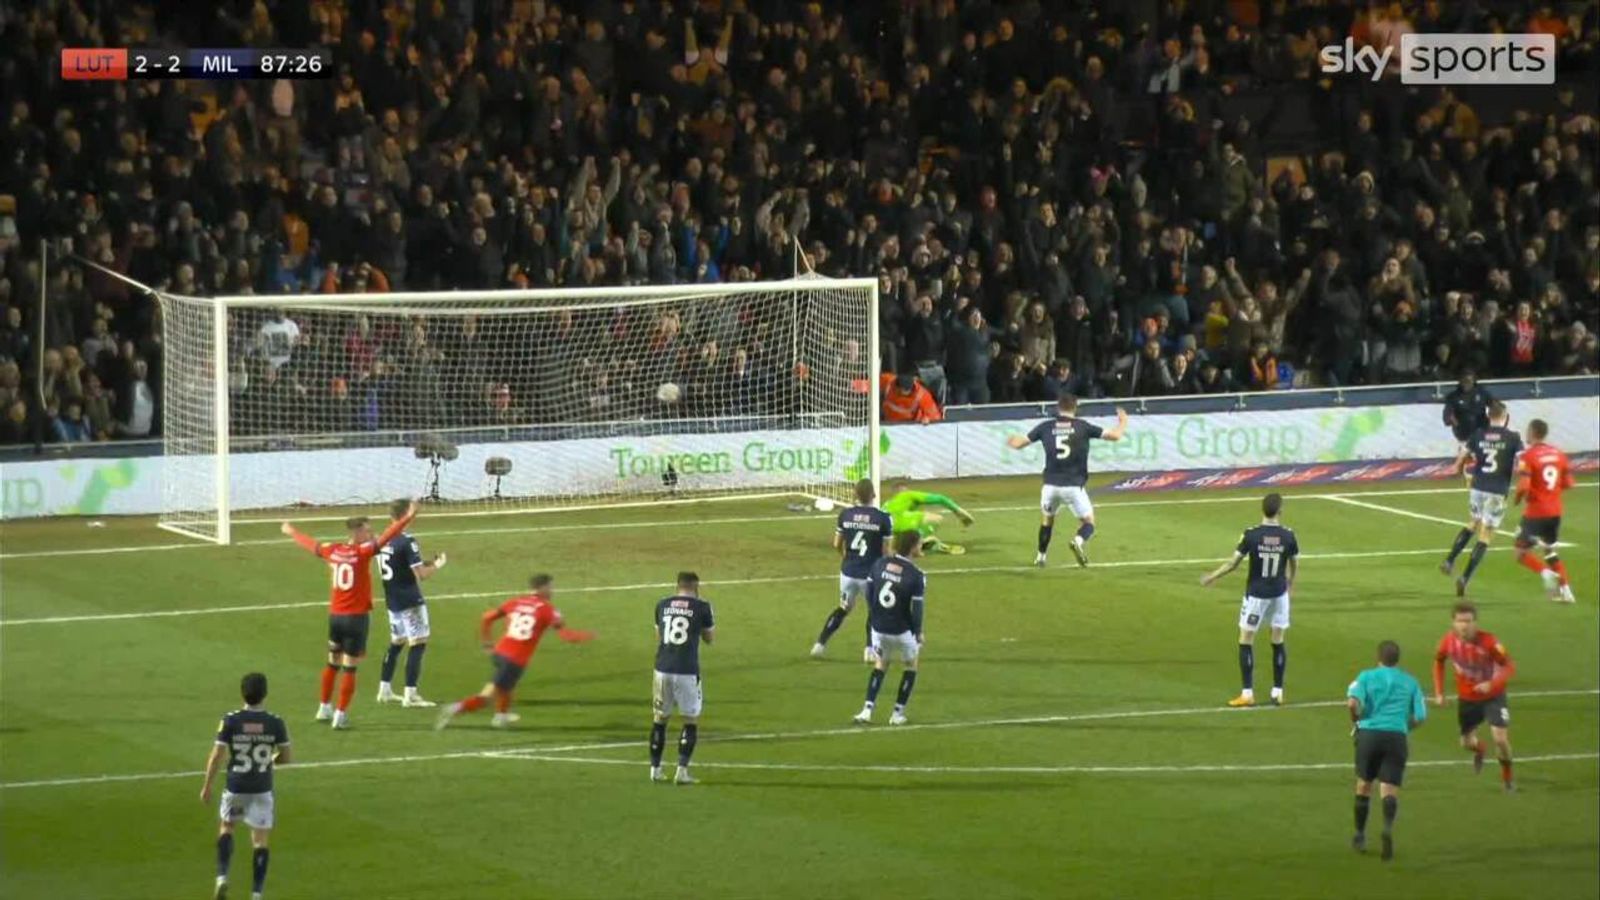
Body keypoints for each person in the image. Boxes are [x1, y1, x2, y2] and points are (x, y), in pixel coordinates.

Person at [281, 501, 417, 729]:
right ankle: (340, 715)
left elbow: (310, 544)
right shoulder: (362, 553)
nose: (371, 533)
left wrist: (291, 530)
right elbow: (389, 534)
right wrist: (409, 516)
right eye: (367, 529)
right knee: (350, 668)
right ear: (357, 532)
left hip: (335, 617)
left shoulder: (333, 551)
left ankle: (324, 707)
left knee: (332, 662)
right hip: (356, 619)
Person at [435, 574, 586, 729]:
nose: (553, 590)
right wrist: (583, 636)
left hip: (499, 653)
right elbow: (566, 635)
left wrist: (487, 643)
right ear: (542, 588)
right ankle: (454, 709)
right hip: (514, 660)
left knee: (507, 686)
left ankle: (501, 717)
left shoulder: (516, 601)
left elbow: (486, 618)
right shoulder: (547, 609)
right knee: (486, 697)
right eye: (551, 587)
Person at [1006, 394, 1130, 567]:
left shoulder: (1046, 427)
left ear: (1058, 408)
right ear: (1075, 407)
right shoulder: (1083, 427)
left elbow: (1019, 443)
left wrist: (1010, 441)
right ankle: (1078, 541)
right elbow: (1116, 436)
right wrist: (1123, 421)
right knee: (1089, 522)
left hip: (1050, 486)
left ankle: (1041, 557)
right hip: (1073, 486)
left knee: (1047, 521)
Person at [1201, 493, 1300, 707]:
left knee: (1246, 640)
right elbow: (1294, 564)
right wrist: (1291, 585)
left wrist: (1212, 576)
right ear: (1280, 511)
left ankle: (1247, 693)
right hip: (1279, 594)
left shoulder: (1251, 535)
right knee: (1278, 640)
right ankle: (1278, 691)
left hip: (1256, 595)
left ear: (1262, 510)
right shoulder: (1289, 536)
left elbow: (1233, 563)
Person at [200, 672, 290, 900]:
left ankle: (221, 878)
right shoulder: (275, 722)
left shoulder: (231, 720)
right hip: (262, 788)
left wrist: (207, 785)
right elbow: (286, 757)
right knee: (260, 840)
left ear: (242, 692)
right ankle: (256, 894)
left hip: (236, 787)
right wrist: (270, 761)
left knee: (227, 827)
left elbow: (216, 756)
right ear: (265, 693)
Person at [1347, 640, 1427, 862]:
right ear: (1397, 658)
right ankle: (1387, 828)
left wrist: (1356, 722)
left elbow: (1353, 704)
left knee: (1364, 785)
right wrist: (1404, 727)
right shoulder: (1411, 682)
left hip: (1370, 735)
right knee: (1389, 789)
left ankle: (1360, 835)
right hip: (1396, 737)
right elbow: (1420, 716)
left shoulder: (1366, 677)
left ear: (1378, 657)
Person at [1432, 602, 1517, 792]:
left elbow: (1509, 666)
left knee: (1501, 740)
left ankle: (1507, 778)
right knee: (1466, 743)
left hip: (1493, 696)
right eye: (1460, 621)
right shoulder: (1447, 642)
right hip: (1468, 699)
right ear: (1453, 622)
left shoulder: (1490, 642)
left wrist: (1492, 684)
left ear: (1475, 622)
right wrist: (1439, 692)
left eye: (1468, 621)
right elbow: (1438, 662)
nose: (1464, 625)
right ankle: (1480, 749)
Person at [1441, 401, 1522, 596]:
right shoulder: (1513, 438)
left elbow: (1461, 459)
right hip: (1497, 490)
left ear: (1488, 416)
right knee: (1485, 535)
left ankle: (1450, 560)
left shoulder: (1478, 435)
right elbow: (1522, 463)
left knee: (1473, 522)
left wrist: (1462, 473)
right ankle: (1465, 578)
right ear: (1506, 417)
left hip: (1478, 487)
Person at [375, 498, 448, 707]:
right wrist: (438, 565)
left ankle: (385, 690)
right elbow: (421, 575)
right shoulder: (407, 540)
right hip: (410, 600)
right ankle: (410, 695)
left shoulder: (383, 539)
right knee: (418, 643)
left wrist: (428, 562)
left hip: (393, 600)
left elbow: (400, 565)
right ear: (407, 514)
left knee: (397, 642)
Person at [812, 479, 893, 660]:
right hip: (870, 575)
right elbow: (886, 551)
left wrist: (846, 557)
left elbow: (836, 544)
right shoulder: (883, 518)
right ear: (874, 495)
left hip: (848, 572)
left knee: (843, 608)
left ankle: (820, 644)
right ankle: (869, 650)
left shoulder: (845, 515)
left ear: (855, 495)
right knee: (875, 610)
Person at [854, 531, 926, 726]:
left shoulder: (879, 564)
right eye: (919, 544)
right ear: (912, 547)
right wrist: (918, 632)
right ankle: (897, 714)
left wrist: (875, 615)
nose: (921, 547)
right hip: (902, 630)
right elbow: (917, 609)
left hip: (879, 627)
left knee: (881, 664)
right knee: (911, 665)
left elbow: (869, 593)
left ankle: (867, 710)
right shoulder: (917, 575)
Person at [650, 572, 715, 784]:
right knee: (690, 720)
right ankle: (682, 771)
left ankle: (655, 769)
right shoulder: (703, 606)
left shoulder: (662, 604)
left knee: (660, 720)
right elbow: (709, 639)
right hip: (687, 670)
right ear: (696, 586)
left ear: (677, 586)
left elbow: (659, 636)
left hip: (662, 668)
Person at [1511, 418, 1575, 603]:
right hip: (1555, 512)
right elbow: (1569, 484)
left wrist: (1517, 499)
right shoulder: (1559, 454)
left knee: (1519, 553)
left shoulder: (1528, 456)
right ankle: (1567, 591)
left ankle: (1545, 573)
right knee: (1550, 551)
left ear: (1532, 432)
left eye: (1527, 431)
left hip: (1535, 513)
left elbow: (1523, 485)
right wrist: (1551, 492)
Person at [881, 480, 975, 555]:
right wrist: (959, 512)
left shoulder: (887, 504)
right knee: (937, 519)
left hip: (888, 533)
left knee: (906, 525)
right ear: (905, 490)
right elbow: (941, 499)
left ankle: (906, 546)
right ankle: (921, 542)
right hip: (901, 525)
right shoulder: (908, 494)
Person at [1441, 371, 1493, 447]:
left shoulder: (1482, 393)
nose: (1466, 383)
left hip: (1481, 427)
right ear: (1460, 381)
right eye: (1464, 381)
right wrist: (1454, 422)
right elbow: (1447, 414)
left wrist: (1493, 417)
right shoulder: (1453, 396)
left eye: (1469, 381)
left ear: (1474, 381)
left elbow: (1495, 406)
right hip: (1463, 430)